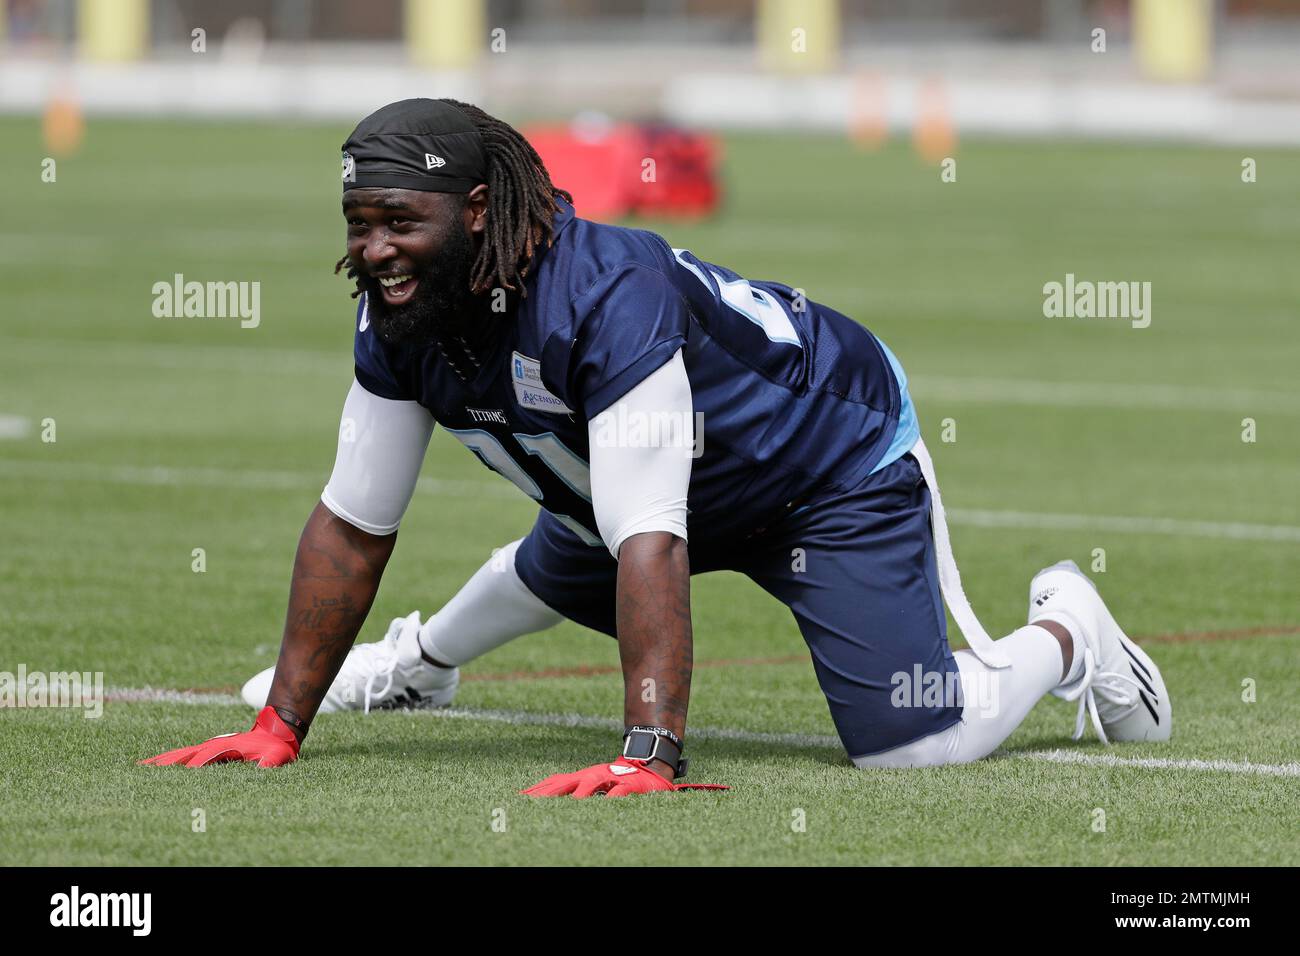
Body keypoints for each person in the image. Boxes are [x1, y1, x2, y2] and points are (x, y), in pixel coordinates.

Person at [142, 99, 1171, 795]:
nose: (371, 251)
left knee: (915, 744)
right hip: (645, 493)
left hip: (821, 465)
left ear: (478, 211)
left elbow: (648, 535)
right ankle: (420, 664)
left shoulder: (604, 295)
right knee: (568, 533)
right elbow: (354, 521)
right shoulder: (406, 314)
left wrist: (648, 753)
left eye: (396, 221)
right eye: (358, 223)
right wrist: (281, 723)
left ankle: (1069, 633)